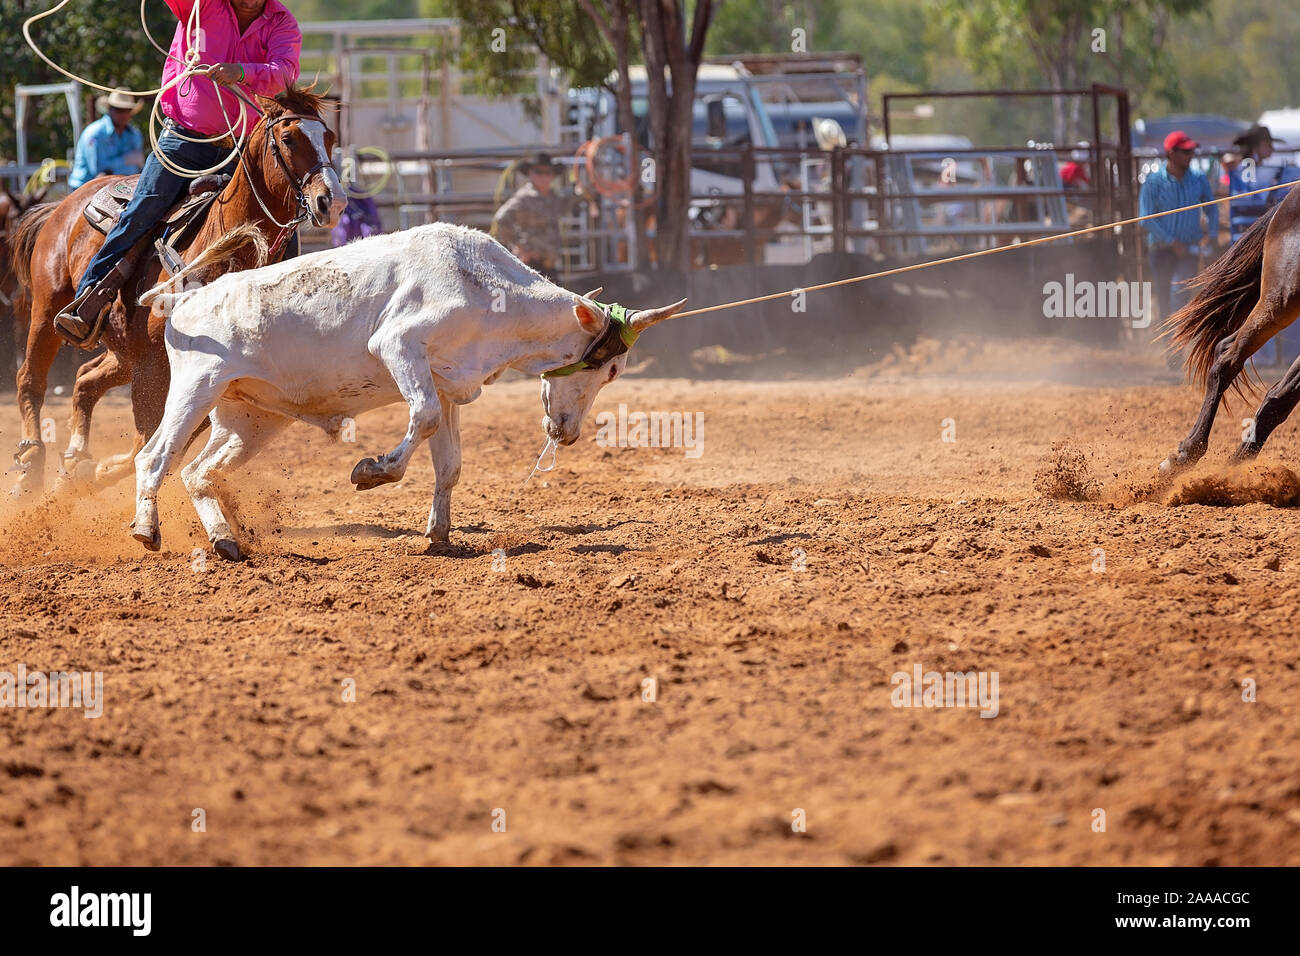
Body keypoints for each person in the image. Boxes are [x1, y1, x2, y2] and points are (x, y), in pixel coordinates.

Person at [56, 0, 302, 346]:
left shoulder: (282, 22)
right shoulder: (202, 6)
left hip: (242, 141)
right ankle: (91, 298)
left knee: (281, 217)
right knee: (145, 208)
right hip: (185, 135)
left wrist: (241, 71)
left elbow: (284, 73)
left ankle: (293, 313)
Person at [1139, 130, 1218, 322]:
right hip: (1161, 251)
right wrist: (1171, 241)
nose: (1190, 156)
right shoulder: (1154, 182)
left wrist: (1213, 235)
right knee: (1165, 301)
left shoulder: (1198, 178)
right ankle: (1171, 351)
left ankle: (1179, 345)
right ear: (1171, 153)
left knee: (1179, 293)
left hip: (1188, 250)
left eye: (1191, 151)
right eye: (1185, 151)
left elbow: (1212, 208)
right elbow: (1146, 218)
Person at [491, 153, 571, 281]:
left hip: (548, 264)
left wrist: (585, 191)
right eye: (539, 172)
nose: (543, 176)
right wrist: (520, 246)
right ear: (530, 174)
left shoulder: (553, 197)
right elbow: (501, 219)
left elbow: (567, 204)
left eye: (548, 172)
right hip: (529, 264)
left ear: (552, 175)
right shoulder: (524, 197)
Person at [1226, 125, 1299, 243]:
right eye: (1268, 145)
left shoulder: (1241, 171)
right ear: (1257, 146)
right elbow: (1256, 201)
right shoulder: (1249, 173)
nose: (1272, 149)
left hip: (1245, 234)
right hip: (1255, 236)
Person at [68, 90, 146, 191]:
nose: (124, 114)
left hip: (119, 187)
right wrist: (125, 160)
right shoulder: (95, 134)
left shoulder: (134, 134)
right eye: (119, 110)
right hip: (83, 189)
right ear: (109, 110)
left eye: (127, 110)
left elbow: (136, 168)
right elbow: (98, 171)